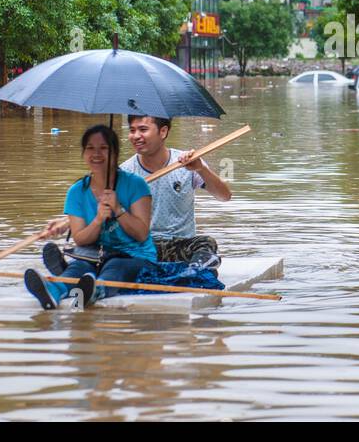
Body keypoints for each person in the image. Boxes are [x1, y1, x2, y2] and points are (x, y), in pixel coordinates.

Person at [41, 115, 232, 270]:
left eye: (143, 129)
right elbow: (100, 207)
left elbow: (225, 196)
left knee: (206, 243)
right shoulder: (124, 173)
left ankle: (194, 271)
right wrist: (67, 222)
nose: (135, 136)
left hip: (178, 245)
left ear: (163, 131)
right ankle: (73, 269)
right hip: (141, 247)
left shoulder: (187, 163)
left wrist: (201, 169)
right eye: (132, 130)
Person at [24, 124, 155, 310]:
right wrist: (98, 219)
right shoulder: (77, 191)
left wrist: (118, 209)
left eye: (103, 148)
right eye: (90, 148)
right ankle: (53, 291)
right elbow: (80, 238)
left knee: (115, 266)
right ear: (84, 154)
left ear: (115, 153)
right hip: (94, 256)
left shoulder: (136, 185)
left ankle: (94, 291)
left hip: (134, 255)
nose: (96, 154)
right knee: (78, 268)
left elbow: (141, 234)